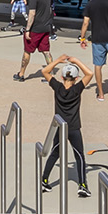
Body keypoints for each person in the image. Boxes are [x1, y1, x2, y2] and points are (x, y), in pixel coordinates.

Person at [39, 50, 90, 194]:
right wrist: (76, 61)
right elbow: (90, 74)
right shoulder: (77, 89)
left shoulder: (58, 87)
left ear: (62, 77)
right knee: (79, 155)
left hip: (60, 127)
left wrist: (58, 60)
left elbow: (45, 71)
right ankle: (82, 185)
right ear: (76, 78)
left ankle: (44, 180)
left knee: (55, 153)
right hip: (74, 127)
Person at [17, 0, 57, 79]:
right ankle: (50, 74)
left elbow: (32, 14)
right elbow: (49, 11)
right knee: (46, 51)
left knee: (27, 51)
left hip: (35, 28)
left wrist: (28, 29)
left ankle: (21, 74)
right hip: (45, 28)